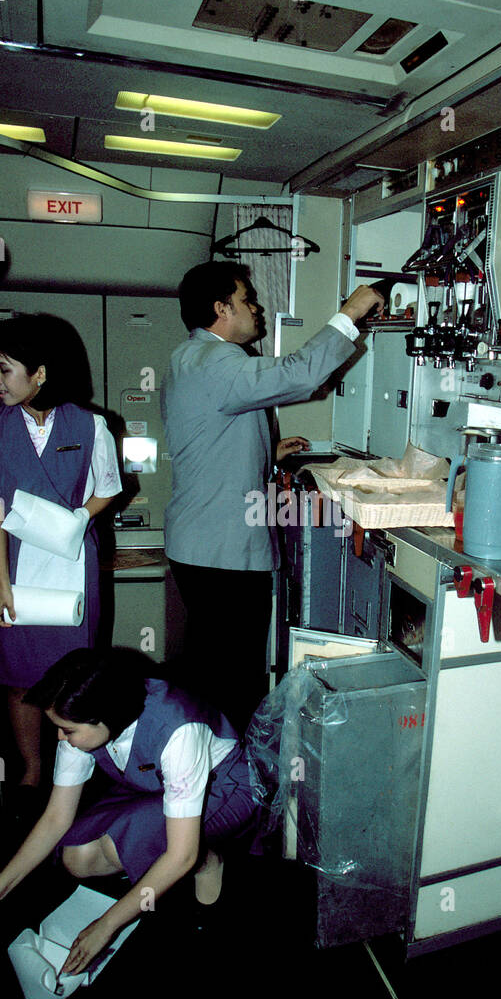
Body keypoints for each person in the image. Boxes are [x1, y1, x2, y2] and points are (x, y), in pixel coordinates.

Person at [160, 262, 383, 733]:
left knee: (211, 669)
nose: (256, 309)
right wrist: (351, 312)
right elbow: (298, 375)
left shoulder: (190, 357)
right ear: (221, 309)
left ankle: (207, 766)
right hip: (223, 552)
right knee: (235, 679)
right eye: (247, 299)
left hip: (199, 545)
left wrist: (266, 450)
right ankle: (234, 784)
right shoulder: (219, 361)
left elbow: (208, 433)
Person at [0, 650, 259, 973]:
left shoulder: (178, 729)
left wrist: (106, 925)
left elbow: (180, 853)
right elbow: (56, 817)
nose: (59, 737)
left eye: (67, 730)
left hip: (224, 789)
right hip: (155, 787)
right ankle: (152, 869)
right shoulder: (90, 718)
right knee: (77, 857)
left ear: (102, 718)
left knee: (144, 848)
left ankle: (207, 863)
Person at [0, 314, 122, 791]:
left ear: (40, 373)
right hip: (16, 564)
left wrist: (82, 517)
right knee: (19, 676)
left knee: (71, 675)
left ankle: (73, 774)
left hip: (74, 564)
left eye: (5, 369)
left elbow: (107, 489)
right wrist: (1, 583)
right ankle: (32, 771)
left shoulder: (91, 425)